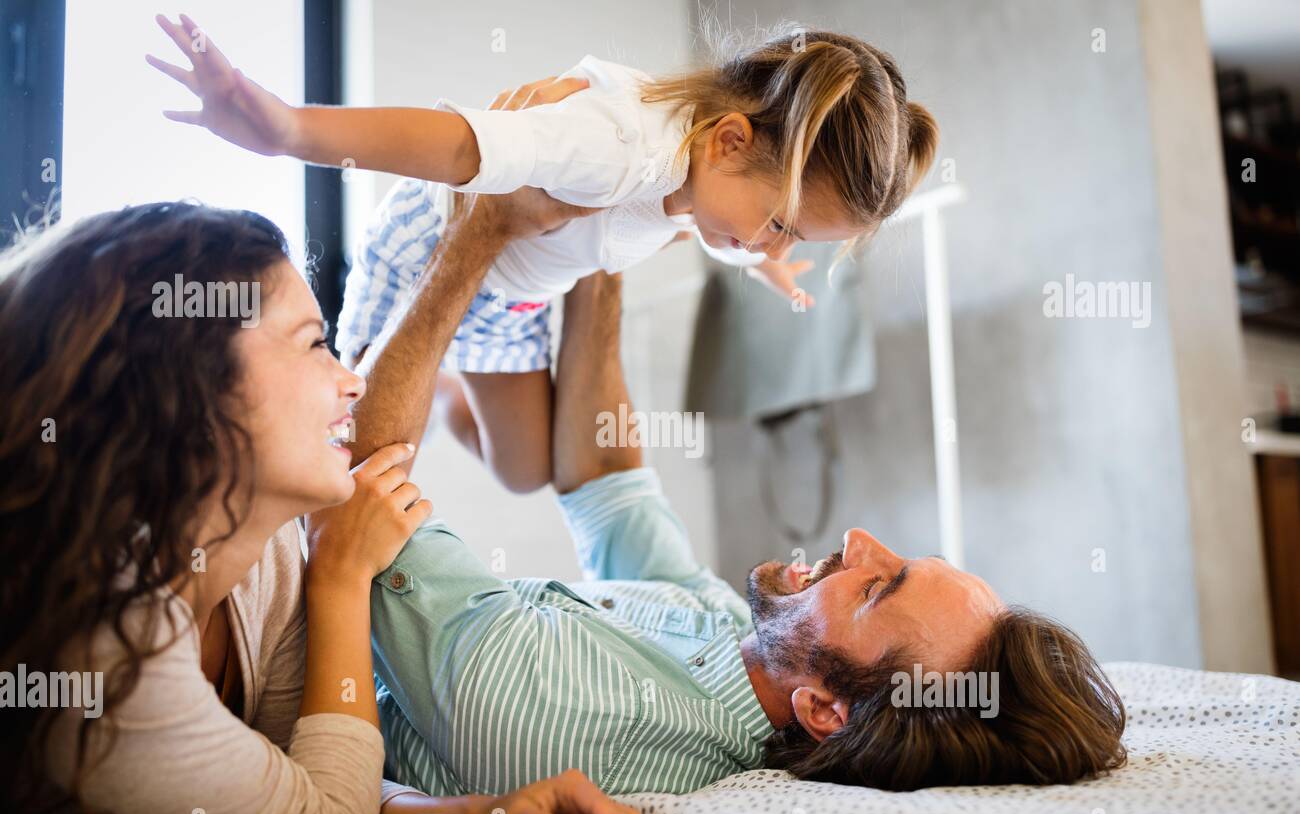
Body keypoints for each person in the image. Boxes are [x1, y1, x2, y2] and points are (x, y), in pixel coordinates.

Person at [0, 82, 646, 814]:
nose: (350, 382)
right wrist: (339, 577)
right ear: (190, 387)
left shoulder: (259, 559)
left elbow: (301, 787)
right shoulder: (114, 639)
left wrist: (484, 812)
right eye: (313, 344)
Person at [340, 179, 1129, 801]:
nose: (858, 542)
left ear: (824, 711)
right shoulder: (738, 646)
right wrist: (605, 235)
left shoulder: (567, 720)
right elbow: (606, 479)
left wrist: (480, 233)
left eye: (876, 587)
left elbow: (364, 483)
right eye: (897, 556)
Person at [148, 15, 939, 493]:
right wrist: (289, 130)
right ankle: (421, 368)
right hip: (435, 242)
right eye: (781, 226)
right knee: (359, 457)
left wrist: (760, 260)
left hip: (514, 291)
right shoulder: (618, 143)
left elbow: (711, 220)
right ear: (731, 141)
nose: (771, 243)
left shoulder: (716, 180)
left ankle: (453, 383)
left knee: (525, 472)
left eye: (793, 240)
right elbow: (462, 143)